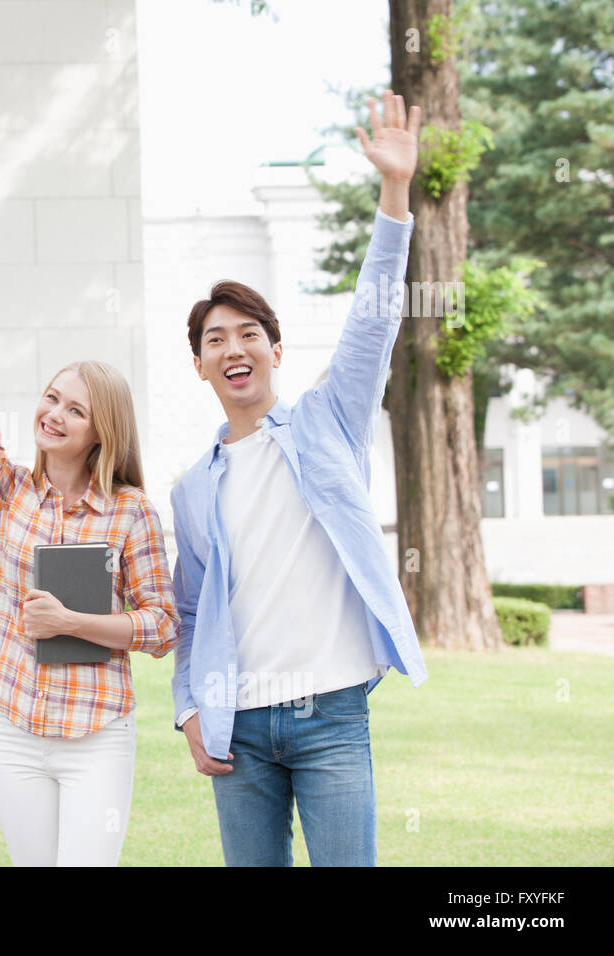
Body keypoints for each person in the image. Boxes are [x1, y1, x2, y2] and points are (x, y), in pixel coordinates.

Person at [170, 91, 428, 866]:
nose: (234, 346)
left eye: (250, 332)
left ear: (274, 351)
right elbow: (188, 611)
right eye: (217, 338)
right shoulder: (192, 488)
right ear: (201, 365)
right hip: (238, 726)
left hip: (332, 714)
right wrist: (190, 709)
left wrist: (394, 194)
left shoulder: (329, 422)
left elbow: (374, 319)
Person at [0, 204, 181, 867]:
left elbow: (162, 627)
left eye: (76, 409)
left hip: (97, 733)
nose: (54, 414)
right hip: (15, 727)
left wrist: (76, 620)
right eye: (51, 398)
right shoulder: (8, 491)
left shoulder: (130, 513)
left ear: (101, 431)